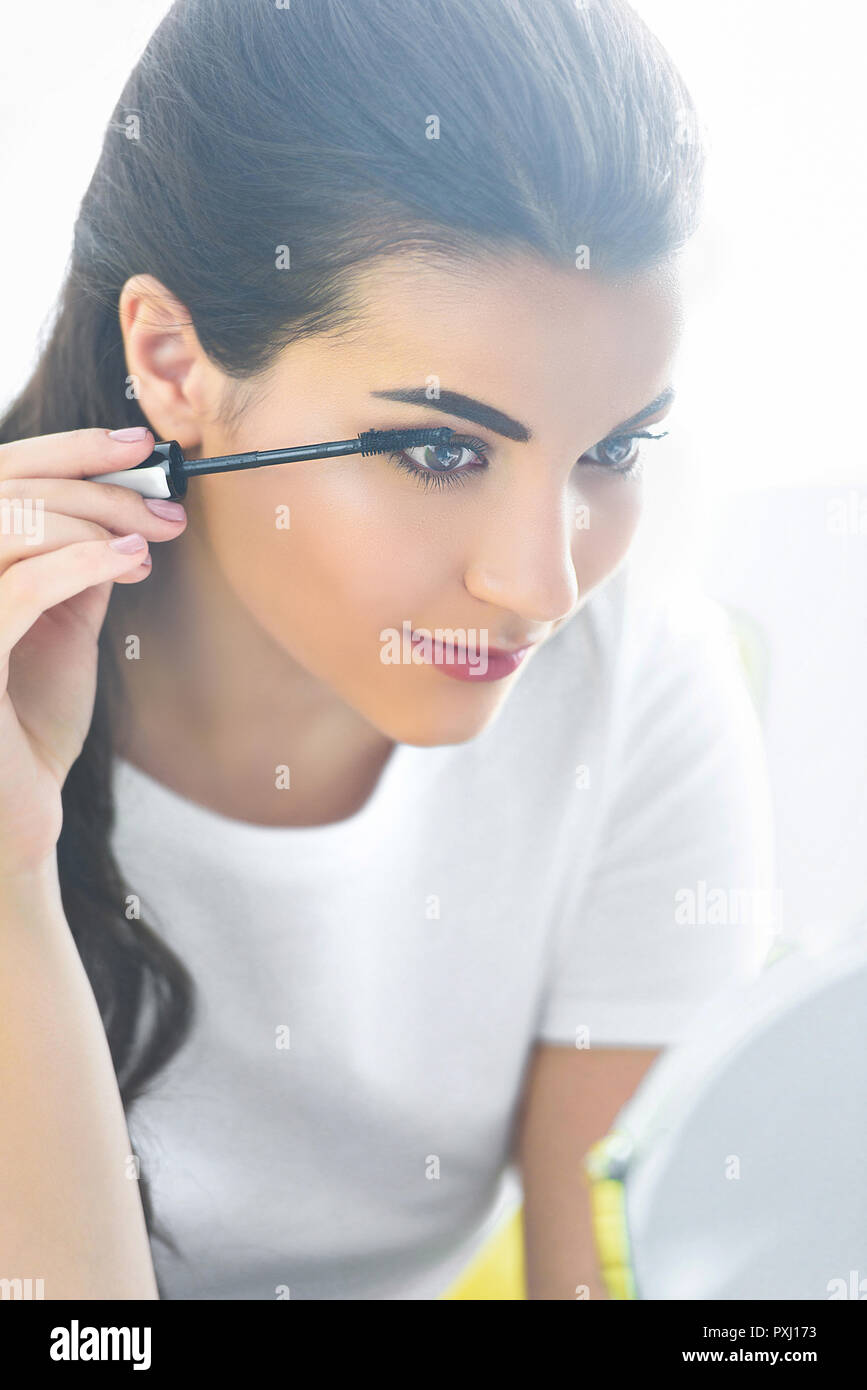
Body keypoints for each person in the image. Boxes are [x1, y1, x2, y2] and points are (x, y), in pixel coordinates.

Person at [0, 0, 775, 1300]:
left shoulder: (635, 691)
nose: (542, 585)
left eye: (614, 449)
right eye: (439, 451)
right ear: (171, 357)